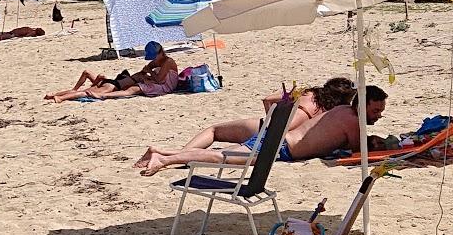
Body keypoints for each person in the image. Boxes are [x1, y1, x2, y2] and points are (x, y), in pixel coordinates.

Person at [138, 86, 388, 175]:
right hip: (279, 145)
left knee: (225, 155)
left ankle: (164, 153)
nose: (378, 115)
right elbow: (359, 150)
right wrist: (381, 144)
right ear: (362, 104)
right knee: (223, 156)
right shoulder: (351, 120)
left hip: (280, 144)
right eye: (376, 110)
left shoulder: (342, 111)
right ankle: (164, 159)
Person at [44, 42, 176, 101]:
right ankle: (59, 96)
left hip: (113, 82)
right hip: (114, 84)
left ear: (160, 53)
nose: (153, 60)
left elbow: (158, 79)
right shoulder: (152, 65)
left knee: (87, 89)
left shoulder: (168, 61)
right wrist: (147, 74)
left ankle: (57, 95)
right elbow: (148, 74)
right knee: (86, 92)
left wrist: (148, 74)